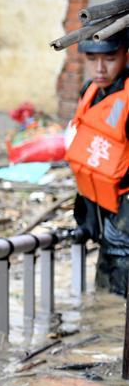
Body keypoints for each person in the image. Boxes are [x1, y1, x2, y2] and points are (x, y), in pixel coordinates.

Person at [65, 28, 129, 296]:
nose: (100, 68)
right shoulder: (90, 91)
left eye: (109, 58)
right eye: (92, 59)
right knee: (105, 295)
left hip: (125, 212)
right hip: (103, 206)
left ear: (126, 55)